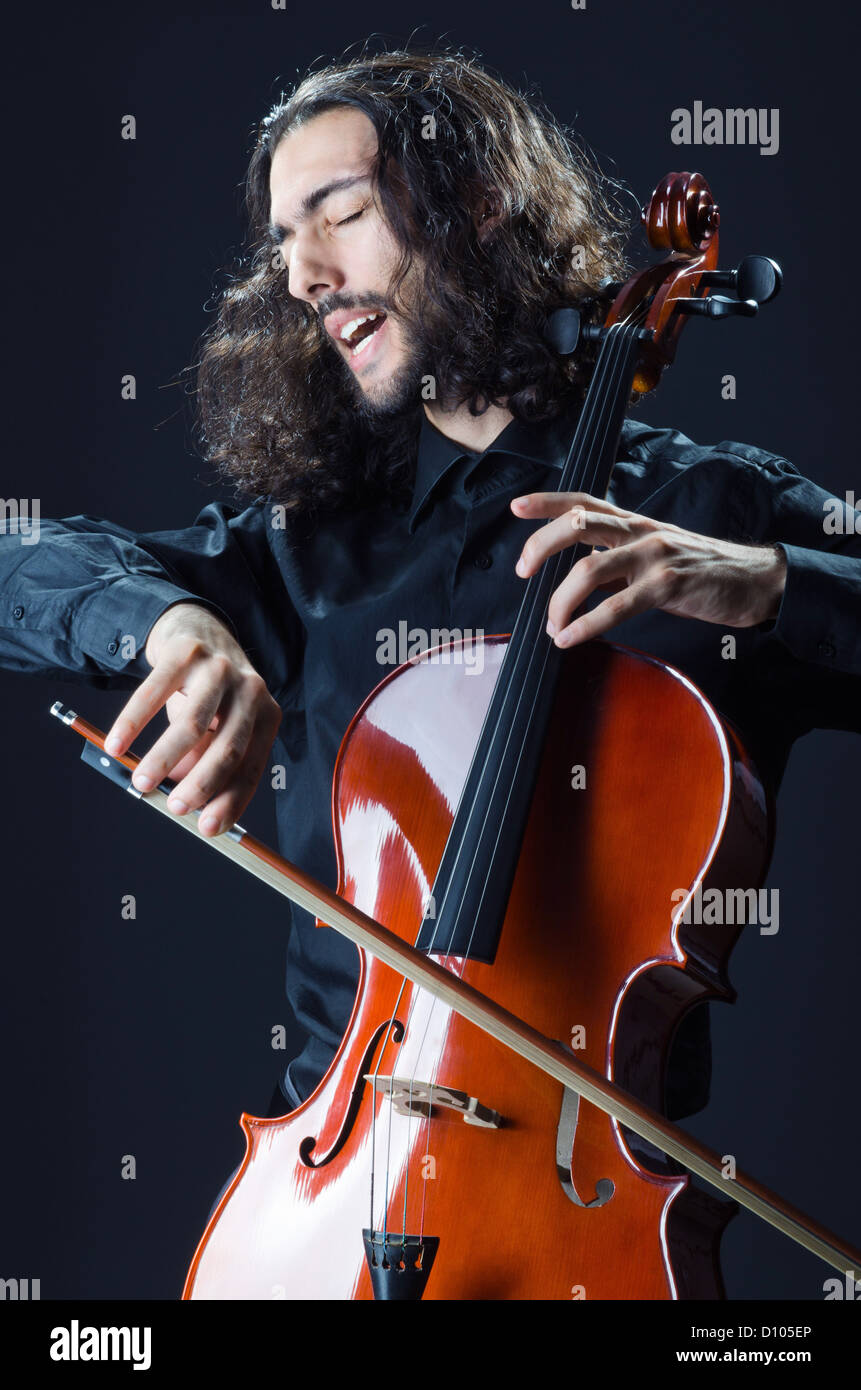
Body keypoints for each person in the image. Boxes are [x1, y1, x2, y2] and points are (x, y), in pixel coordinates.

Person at [1, 49, 859, 1135]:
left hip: (592, 1196)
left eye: (340, 213)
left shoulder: (708, 512)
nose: (305, 273)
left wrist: (774, 582)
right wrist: (171, 620)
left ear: (480, 202)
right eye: (284, 240)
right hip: (323, 1183)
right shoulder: (307, 556)